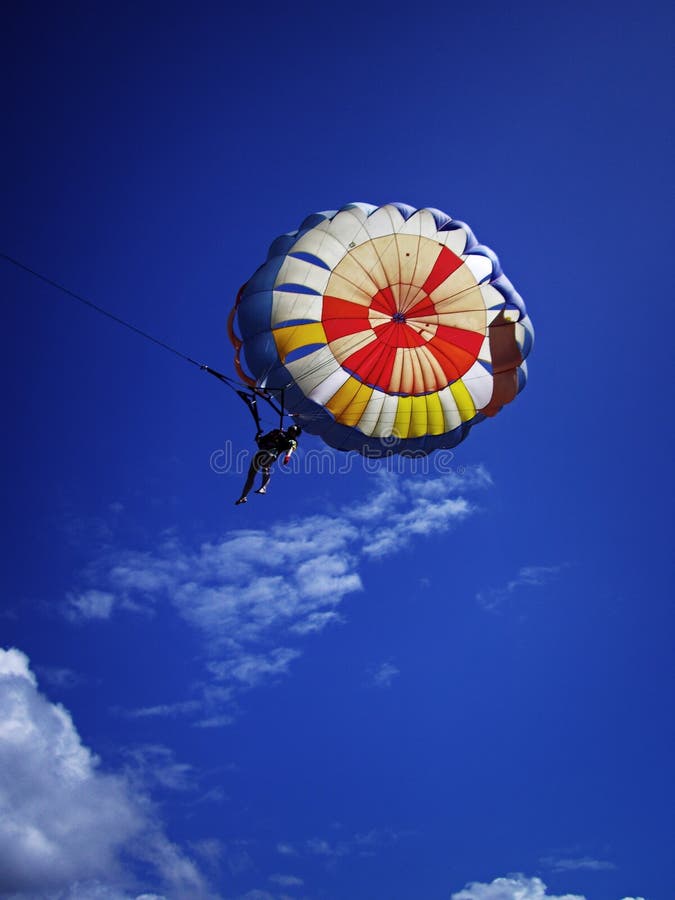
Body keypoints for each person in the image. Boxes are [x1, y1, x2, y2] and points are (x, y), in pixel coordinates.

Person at [235, 424, 301, 505]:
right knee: (251, 475)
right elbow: (261, 443)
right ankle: (243, 497)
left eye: (294, 431)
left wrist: (288, 456)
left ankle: (263, 487)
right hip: (261, 452)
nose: (291, 432)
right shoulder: (277, 431)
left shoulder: (292, 440)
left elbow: (291, 448)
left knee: (265, 467)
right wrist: (258, 437)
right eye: (291, 429)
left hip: (273, 452)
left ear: (296, 434)